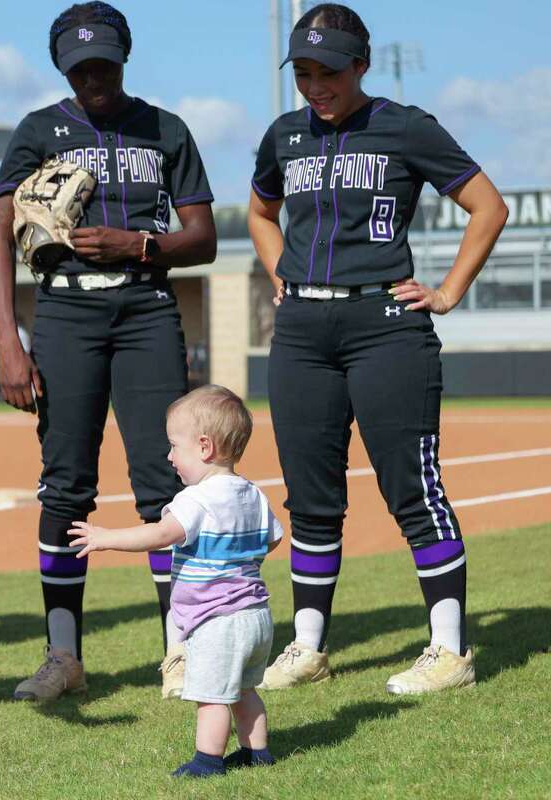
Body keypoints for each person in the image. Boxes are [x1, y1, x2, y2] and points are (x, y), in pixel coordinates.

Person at [247, 3, 508, 694]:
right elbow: (260, 212)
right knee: (310, 499)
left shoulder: (405, 126)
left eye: (329, 72)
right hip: (302, 333)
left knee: (412, 491)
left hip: (386, 327)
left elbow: (489, 206)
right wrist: (279, 272)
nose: (316, 86)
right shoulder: (284, 136)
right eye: (303, 73)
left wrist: (447, 292)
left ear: (361, 65)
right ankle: (308, 648)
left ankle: (449, 652)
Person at [0, 1, 217, 702]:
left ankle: (181, 651)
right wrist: (8, 342)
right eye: (78, 67)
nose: (92, 77)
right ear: (62, 67)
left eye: (103, 65)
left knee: (167, 481)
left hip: (147, 308)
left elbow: (202, 238)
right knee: (65, 484)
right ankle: (63, 656)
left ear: (123, 58)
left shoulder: (165, 129)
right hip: (65, 311)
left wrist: (139, 244)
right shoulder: (38, 131)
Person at [69, 385, 282, 778]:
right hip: (256, 615)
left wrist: (106, 538)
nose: (169, 456)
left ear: (204, 447)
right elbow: (272, 539)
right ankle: (257, 754)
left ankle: (207, 761)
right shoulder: (253, 494)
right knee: (244, 690)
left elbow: (161, 534)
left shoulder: (195, 499)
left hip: (217, 620)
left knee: (211, 697)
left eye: (174, 446)